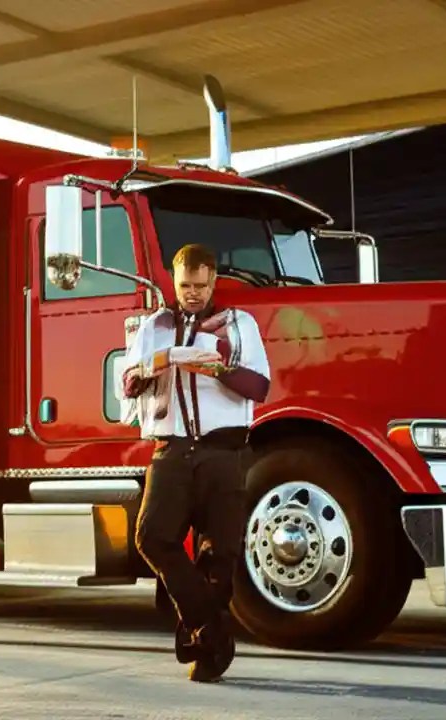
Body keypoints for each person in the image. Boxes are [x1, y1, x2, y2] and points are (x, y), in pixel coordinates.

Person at [121, 243, 271, 683]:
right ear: (174, 279)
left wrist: (218, 371)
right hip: (170, 449)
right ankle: (212, 625)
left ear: (213, 282)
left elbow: (260, 387)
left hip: (224, 452)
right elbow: (128, 384)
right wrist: (160, 362)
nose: (192, 294)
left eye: (201, 286)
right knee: (151, 536)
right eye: (185, 285)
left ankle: (206, 654)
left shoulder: (241, 325)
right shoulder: (154, 325)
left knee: (219, 555)